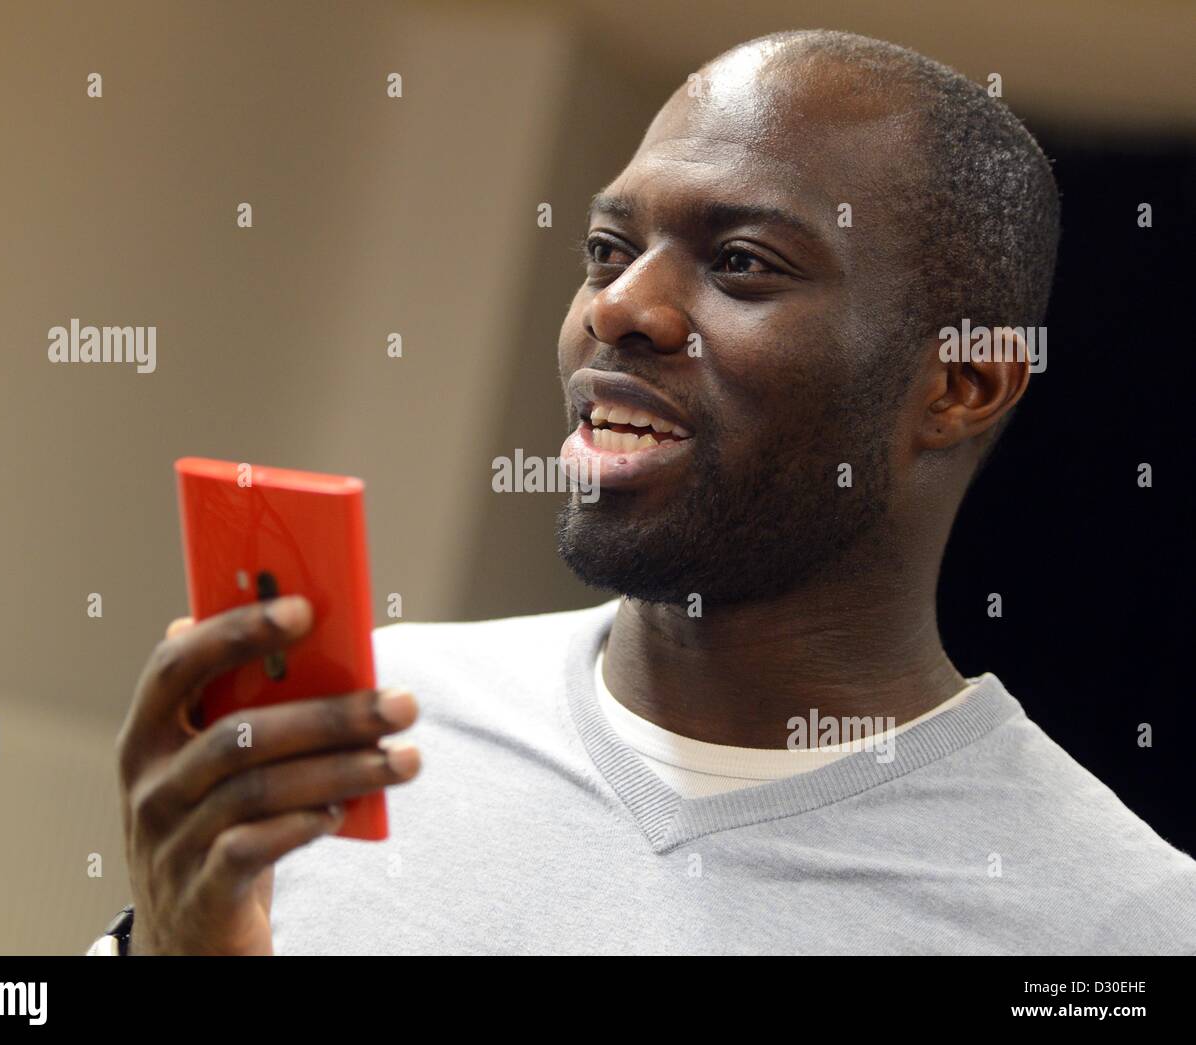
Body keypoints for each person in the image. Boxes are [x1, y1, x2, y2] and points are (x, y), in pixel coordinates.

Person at [104, 29, 1196, 955]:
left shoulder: (1119, 921)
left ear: (959, 383)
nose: (618, 306)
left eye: (742, 262)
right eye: (606, 248)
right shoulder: (350, 734)